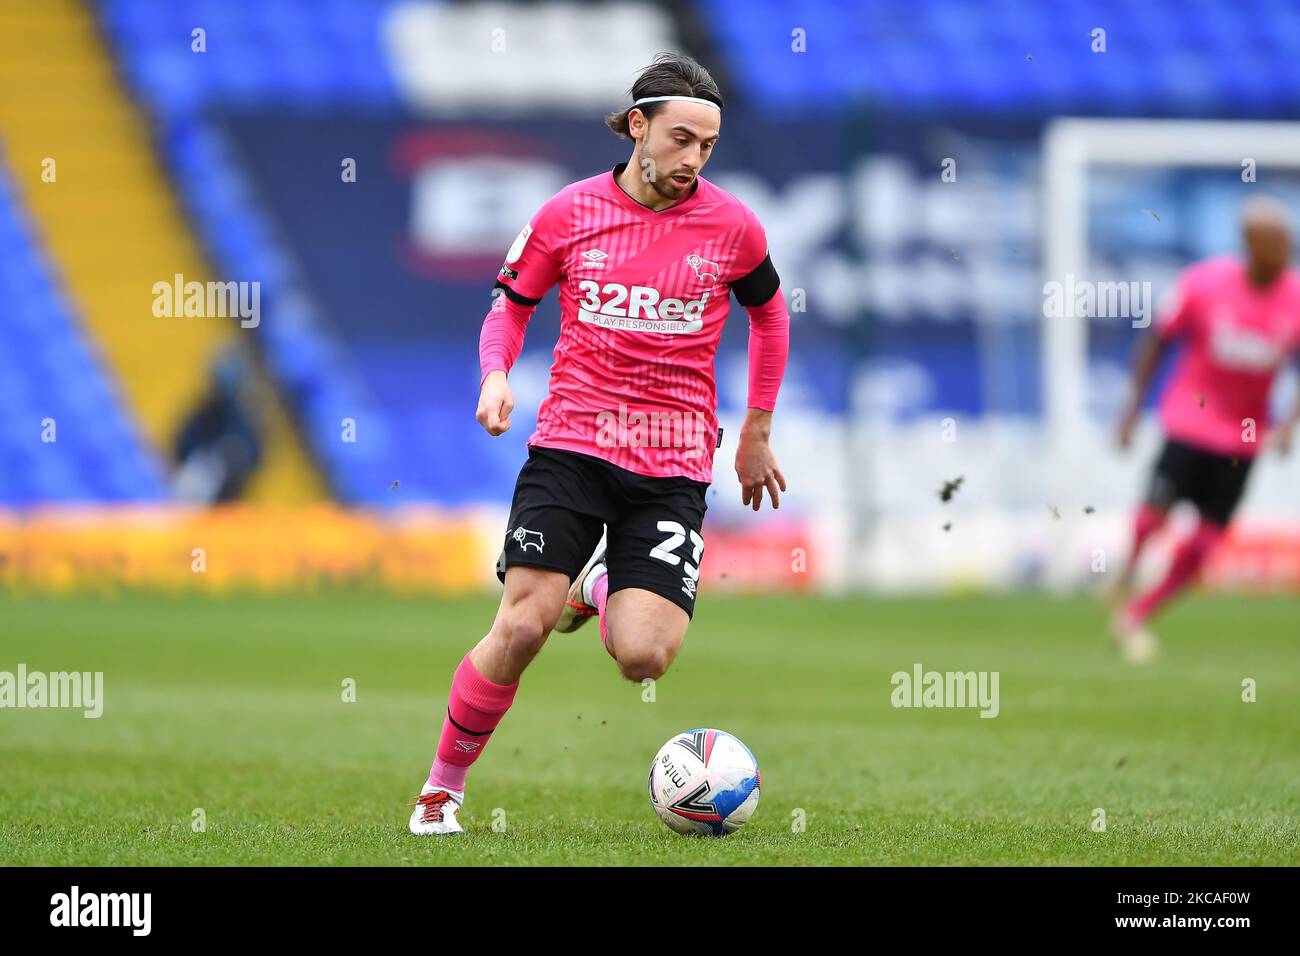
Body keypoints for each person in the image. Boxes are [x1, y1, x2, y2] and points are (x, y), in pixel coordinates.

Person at [408, 53, 792, 834]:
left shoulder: (732, 226)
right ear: (638, 125)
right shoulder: (567, 213)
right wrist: (494, 376)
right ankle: (442, 788)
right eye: (681, 139)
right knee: (520, 626)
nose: (693, 160)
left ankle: (594, 590)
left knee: (644, 658)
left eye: (708, 146)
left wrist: (756, 427)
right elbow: (509, 305)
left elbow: (771, 313)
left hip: (675, 462)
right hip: (573, 448)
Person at [1112, 197, 1300, 662]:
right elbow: (1157, 340)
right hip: (1190, 422)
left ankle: (1137, 613)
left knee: (1206, 543)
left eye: (1287, 240)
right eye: (1274, 241)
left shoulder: (1295, 298)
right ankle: (1127, 571)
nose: (1284, 249)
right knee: (1154, 514)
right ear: (1250, 244)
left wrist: (1288, 427)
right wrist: (1133, 409)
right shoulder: (1204, 283)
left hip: (1244, 438)